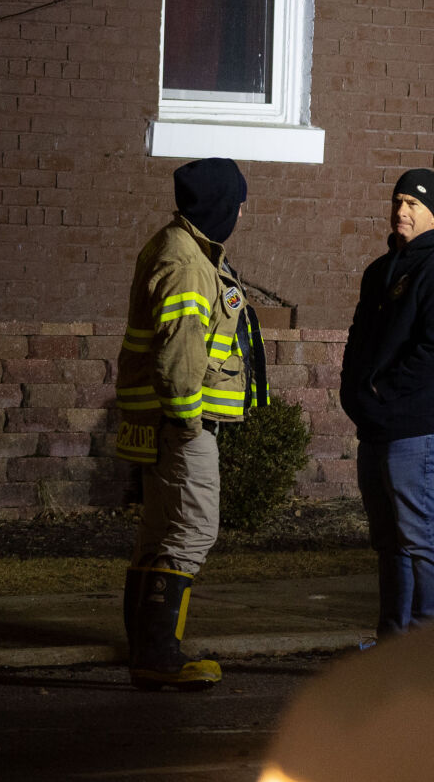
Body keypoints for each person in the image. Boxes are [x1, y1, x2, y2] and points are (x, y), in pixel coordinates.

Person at [116, 156, 250, 691]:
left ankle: (146, 650)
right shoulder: (189, 263)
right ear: (220, 205)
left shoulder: (175, 246)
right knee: (193, 531)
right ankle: (160, 656)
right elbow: (179, 355)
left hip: (156, 419)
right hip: (181, 423)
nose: (242, 211)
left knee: (156, 535)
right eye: (238, 202)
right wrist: (191, 423)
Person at [340, 168, 434, 640]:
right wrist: (353, 390)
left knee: (420, 539)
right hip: (378, 428)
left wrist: (382, 392)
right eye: (397, 201)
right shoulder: (380, 272)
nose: (401, 211)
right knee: (390, 544)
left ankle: (424, 652)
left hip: (420, 430)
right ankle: (392, 647)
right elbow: (359, 340)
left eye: (413, 204)